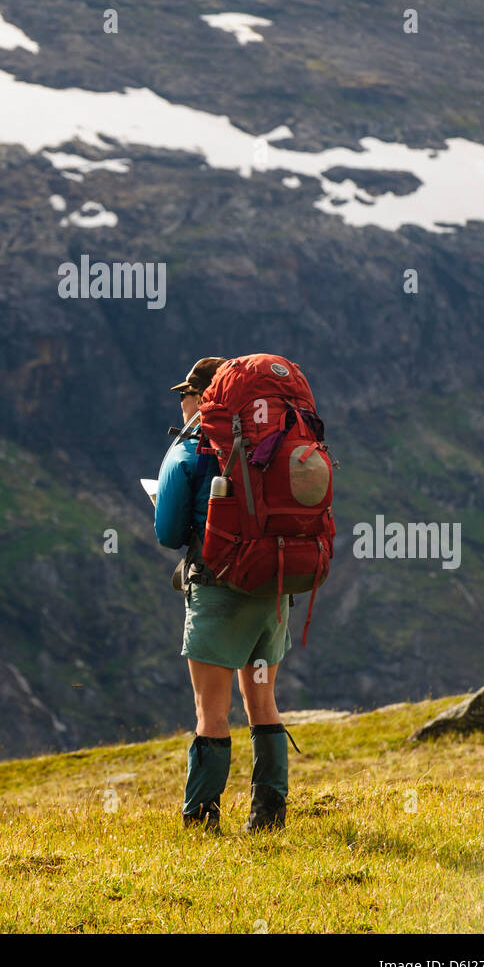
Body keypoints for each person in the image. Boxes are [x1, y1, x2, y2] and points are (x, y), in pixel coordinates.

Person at [154, 357, 295, 833]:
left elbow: (169, 532)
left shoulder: (190, 451)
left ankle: (202, 822)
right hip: (273, 586)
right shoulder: (273, 442)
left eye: (186, 394)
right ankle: (269, 816)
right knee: (263, 702)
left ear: (204, 396)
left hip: (217, 590)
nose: (182, 402)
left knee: (211, 712)